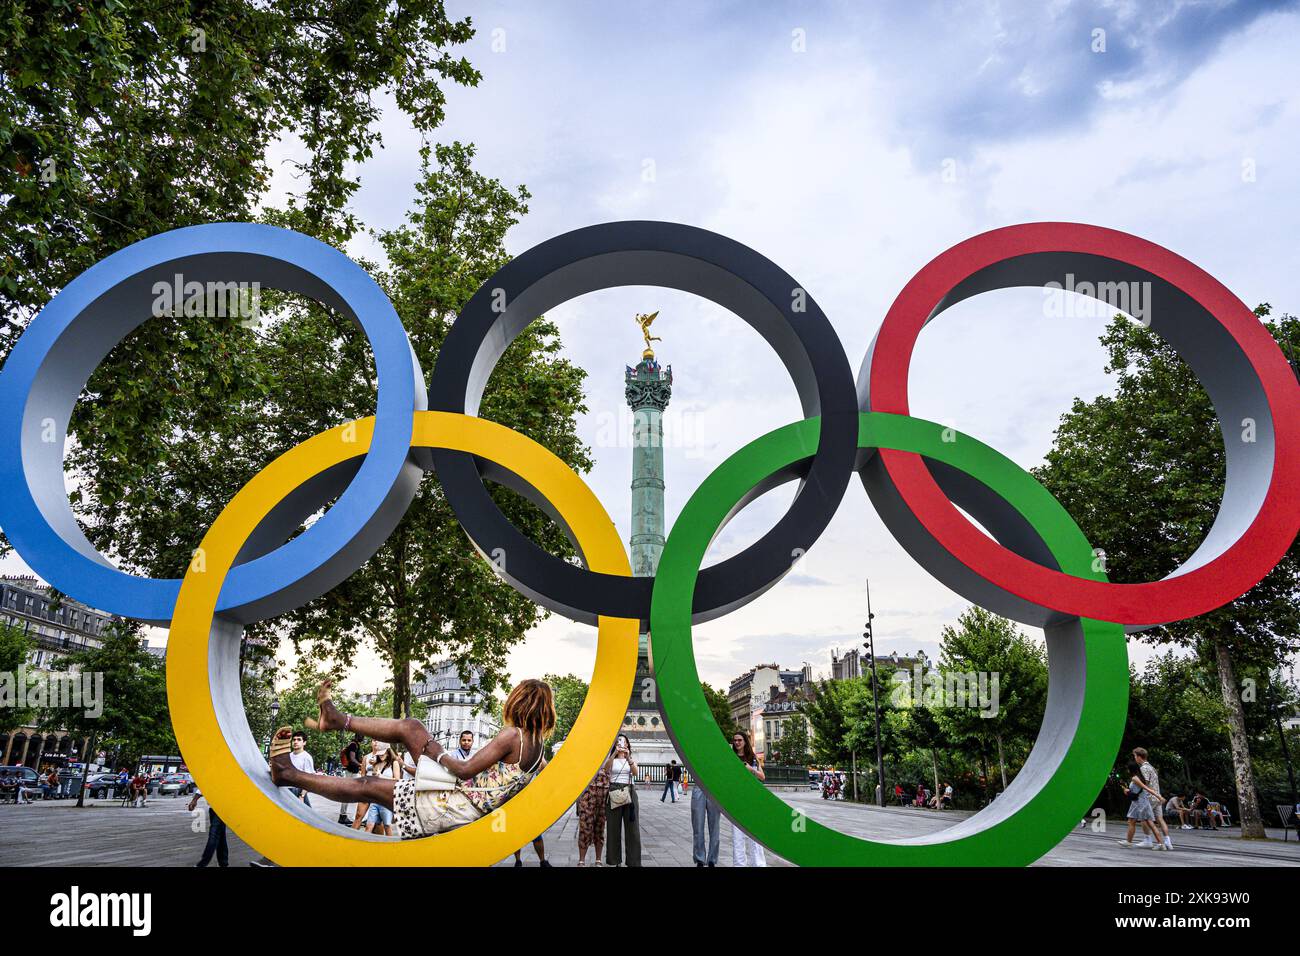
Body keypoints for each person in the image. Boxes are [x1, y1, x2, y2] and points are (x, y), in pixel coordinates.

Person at [267, 678, 552, 840]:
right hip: (460, 800)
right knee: (411, 727)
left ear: (518, 701)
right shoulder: (537, 746)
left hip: (452, 802)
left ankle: (287, 773)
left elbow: (465, 769)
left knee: (367, 784)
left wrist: (437, 751)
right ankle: (337, 719)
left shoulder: (513, 735)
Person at [730, 731, 767, 867]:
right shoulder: (731, 757)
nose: (737, 742)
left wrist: (751, 769)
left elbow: (762, 777)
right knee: (737, 836)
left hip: (752, 800)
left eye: (739, 740)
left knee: (755, 836)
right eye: (735, 740)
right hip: (737, 800)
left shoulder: (752, 757)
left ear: (745, 741)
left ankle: (758, 864)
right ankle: (739, 864)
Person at [603, 734, 641, 867]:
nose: (622, 744)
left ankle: (634, 862)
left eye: (624, 742)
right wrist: (614, 753)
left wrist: (628, 756)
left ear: (628, 745)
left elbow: (635, 773)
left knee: (633, 829)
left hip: (629, 791)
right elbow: (606, 769)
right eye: (619, 742)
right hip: (614, 791)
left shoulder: (631, 759)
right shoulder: (611, 759)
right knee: (613, 828)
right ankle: (615, 860)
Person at [1117, 761, 1165, 850]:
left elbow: (1146, 788)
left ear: (1131, 769)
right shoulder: (1137, 777)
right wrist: (1128, 791)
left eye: (1128, 769)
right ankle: (1128, 842)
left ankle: (1161, 844)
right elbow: (1137, 790)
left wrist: (1159, 796)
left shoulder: (1135, 778)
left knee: (1150, 823)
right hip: (1136, 803)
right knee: (1131, 821)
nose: (1127, 770)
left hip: (1142, 803)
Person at [1133, 748, 1172, 850]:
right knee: (1160, 819)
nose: (1135, 758)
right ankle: (1168, 842)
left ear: (1139, 757)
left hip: (1149, 797)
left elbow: (1144, 782)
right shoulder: (1152, 768)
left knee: (1144, 819)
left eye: (1135, 756)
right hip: (1157, 796)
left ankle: (1148, 840)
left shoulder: (1144, 768)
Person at [359, 740, 400, 836]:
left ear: (388, 751)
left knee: (387, 826)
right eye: (379, 754)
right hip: (375, 799)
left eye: (383, 753)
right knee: (369, 826)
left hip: (386, 799)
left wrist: (382, 776)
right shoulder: (376, 764)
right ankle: (362, 846)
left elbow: (397, 780)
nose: (381, 756)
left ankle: (392, 848)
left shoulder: (394, 763)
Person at [576, 767, 609, 867]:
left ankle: (598, 859)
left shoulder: (610, 752)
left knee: (600, 827)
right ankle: (581, 861)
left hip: (603, 791)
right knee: (584, 827)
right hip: (587, 791)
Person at [188, 789, 229, 867]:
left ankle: (202, 864)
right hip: (213, 809)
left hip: (223, 808)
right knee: (220, 836)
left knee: (214, 834)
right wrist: (194, 800)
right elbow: (205, 785)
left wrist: (194, 800)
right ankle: (223, 863)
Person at [690, 774, 721, 867]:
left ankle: (712, 859)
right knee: (697, 827)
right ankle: (700, 859)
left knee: (714, 828)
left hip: (714, 787)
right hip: (699, 785)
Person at [336, 732, 363, 825]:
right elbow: (352, 758)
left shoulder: (355, 745)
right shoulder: (353, 745)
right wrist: (361, 765)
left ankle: (343, 816)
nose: (362, 737)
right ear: (356, 736)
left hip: (353, 772)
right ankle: (344, 816)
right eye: (360, 735)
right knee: (354, 793)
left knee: (351, 793)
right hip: (351, 772)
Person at [287, 730, 316, 807]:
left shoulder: (306, 757)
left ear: (304, 743)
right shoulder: (288, 756)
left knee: (302, 816)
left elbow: (310, 779)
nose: (295, 742)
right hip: (286, 789)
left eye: (299, 739)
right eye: (294, 739)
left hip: (297, 791)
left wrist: (302, 795)